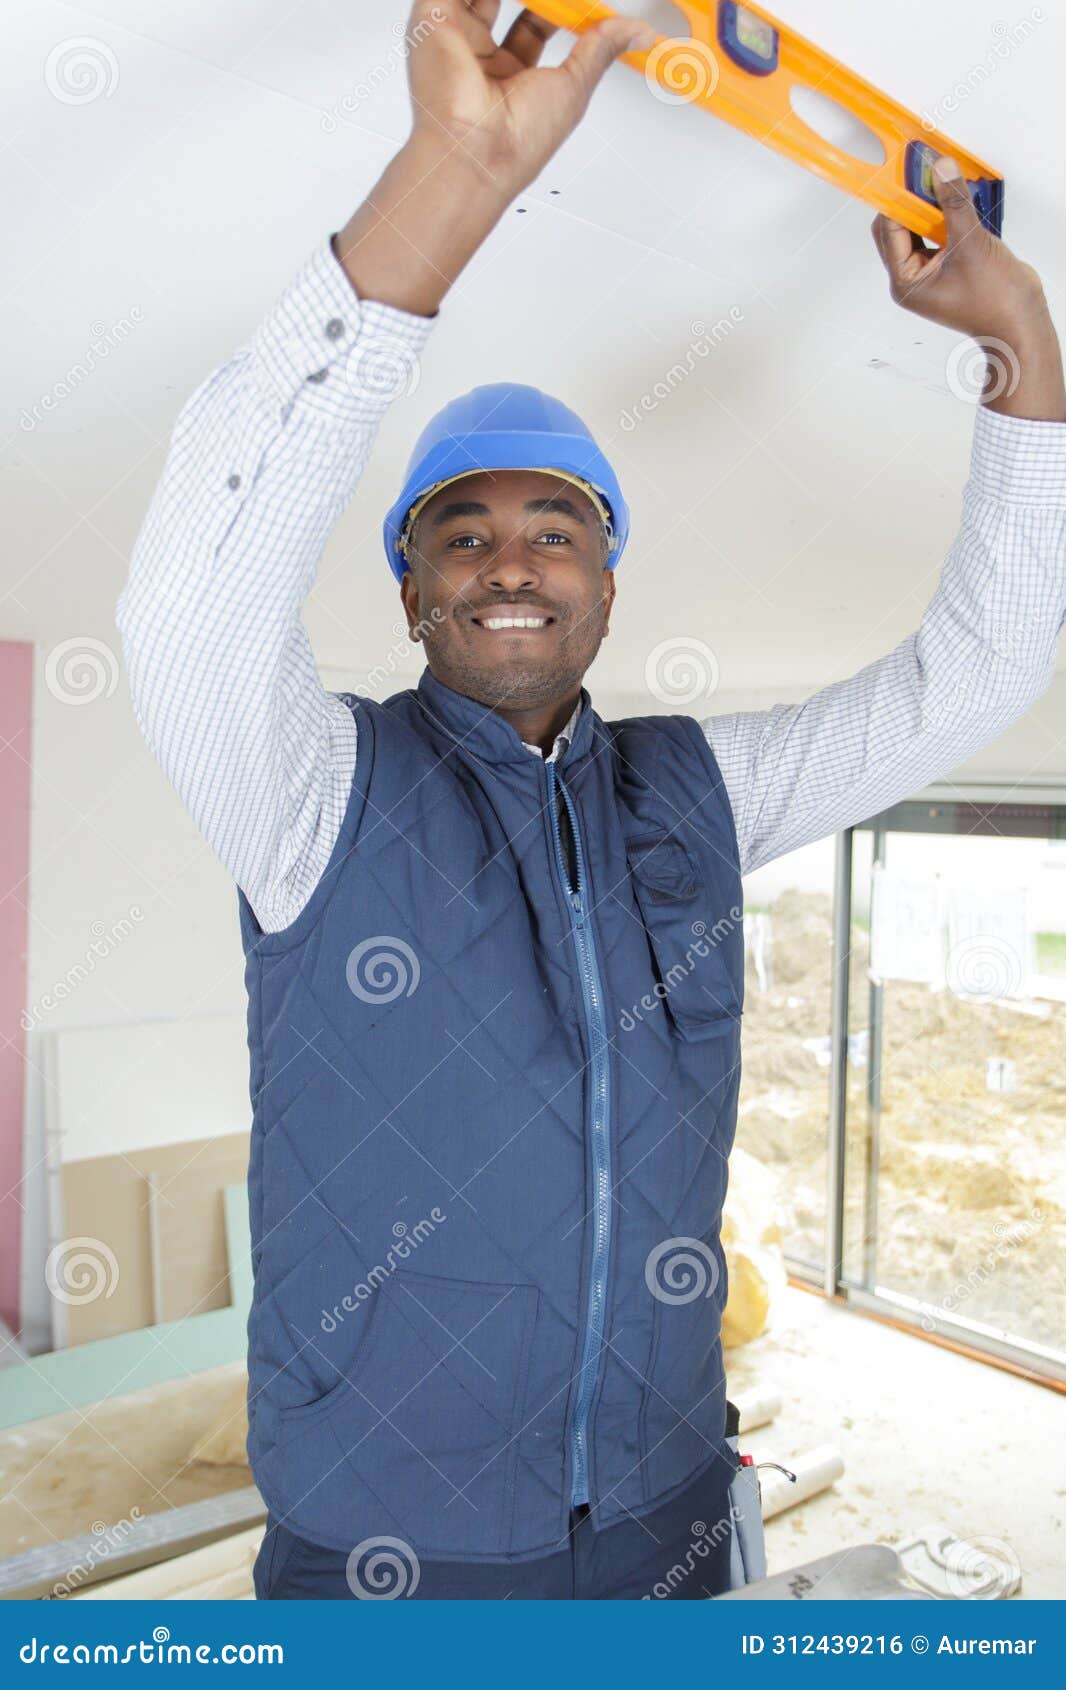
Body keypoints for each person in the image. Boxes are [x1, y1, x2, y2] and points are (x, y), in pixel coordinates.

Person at [116, 2, 1066, 1600]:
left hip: (667, 1505)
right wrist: (453, 175)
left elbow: (962, 687)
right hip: (387, 1546)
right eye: (458, 530)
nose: (508, 559)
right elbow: (185, 614)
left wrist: (1021, 338)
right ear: (410, 587)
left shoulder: (696, 789)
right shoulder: (315, 794)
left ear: (607, 580)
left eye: (555, 526)